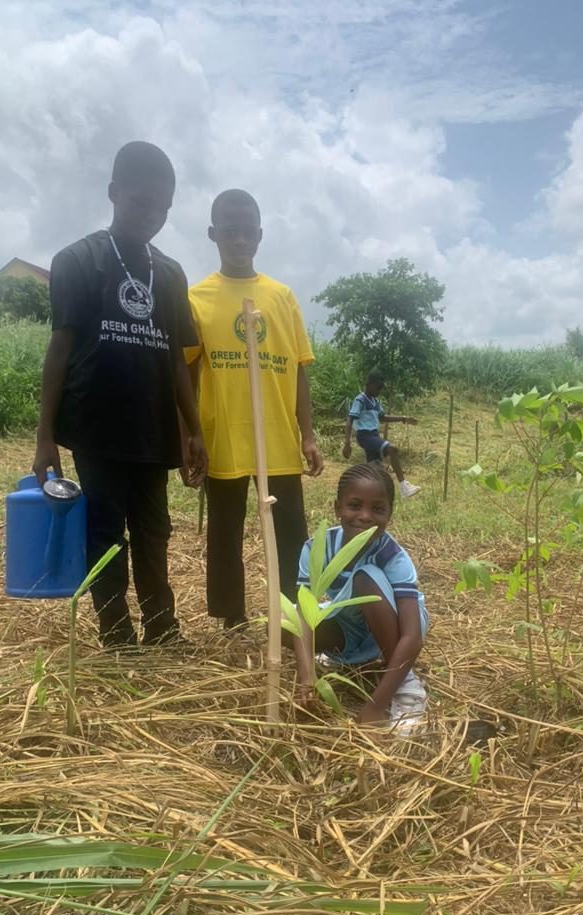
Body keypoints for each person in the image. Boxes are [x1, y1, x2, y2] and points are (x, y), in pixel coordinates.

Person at [33, 141, 207, 650]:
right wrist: (45, 436)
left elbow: (177, 358)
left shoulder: (170, 273)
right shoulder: (78, 261)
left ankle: (162, 626)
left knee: (155, 530)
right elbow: (59, 349)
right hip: (95, 424)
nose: (152, 215)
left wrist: (193, 429)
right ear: (114, 193)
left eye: (163, 207)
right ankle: (116, 633)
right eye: (141, 202)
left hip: (153, 430)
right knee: (104, 531)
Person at [185, 188, 323, 630]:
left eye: (248, 231)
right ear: (213, 234)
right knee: (225, 532)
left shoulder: (281, 297)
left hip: (279, 437)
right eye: (230, 230)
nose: (240, 240)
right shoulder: (197, 298)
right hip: (223, 435)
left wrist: (308, 434)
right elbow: (187, 373)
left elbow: (300, 368)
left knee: (290, 534)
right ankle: (231, 617)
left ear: (260, 235)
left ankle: (292, 619)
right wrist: (187, 436)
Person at [287, 462, 429, 732]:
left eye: (378, 509)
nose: (365, 516)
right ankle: (347, 657)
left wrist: (376, 705)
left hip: (397, 628)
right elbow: (306, 610)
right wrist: (307, 680)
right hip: (355, 623)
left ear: (390, 514)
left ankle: (406, 686)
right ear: (337, 508)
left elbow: (412, 635)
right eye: (354, 505)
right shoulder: (317, 547)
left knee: (365, 577)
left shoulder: (391, 556)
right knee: (286, 621)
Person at [343, 369, 421, 498]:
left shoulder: (375, 402)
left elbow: (383, 418)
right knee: (392, 449)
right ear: (369, 384)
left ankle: (363, 494)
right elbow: (350, 419)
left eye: (381, 389)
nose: (379, 391)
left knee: (375, 470)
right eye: (378, 387)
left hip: (374, 435)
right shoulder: (360, 399)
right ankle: (403, 487)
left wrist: (403, 418)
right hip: (365, 436)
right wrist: (347, 443)